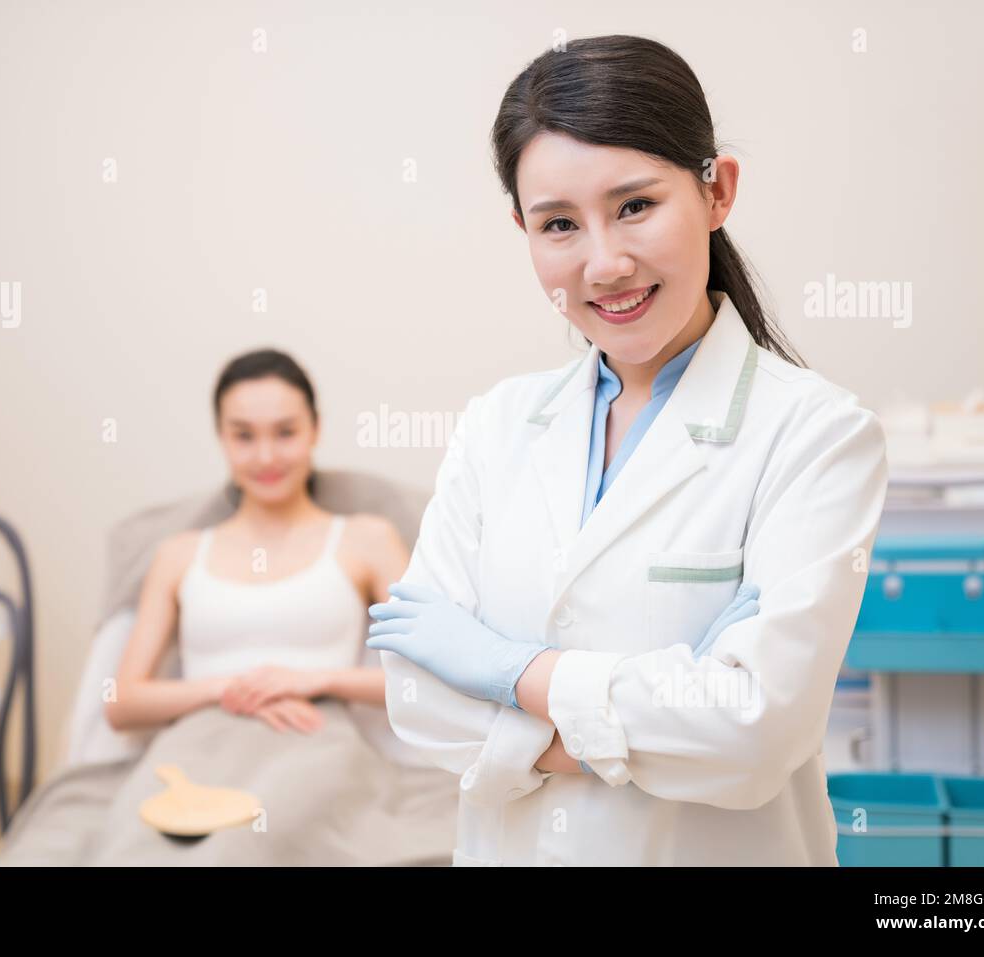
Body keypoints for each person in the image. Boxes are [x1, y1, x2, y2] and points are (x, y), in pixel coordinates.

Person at [367, 35, 888, 866]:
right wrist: (659, 729)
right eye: (560, 224)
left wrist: (505, 668)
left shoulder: (817, 435)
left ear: (716, 191)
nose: (605, 263)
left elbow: (756, 731)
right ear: (523, 230)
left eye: (636, 205)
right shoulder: (495, 426)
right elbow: (418, 697)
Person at [106, 348, 408, 734]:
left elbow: (423, 683)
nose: (266, 457)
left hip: (319, 749)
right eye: (244, 436)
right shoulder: (178, 554)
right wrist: (230, 689)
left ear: (315, 430)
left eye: (285, 432)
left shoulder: (368, 539)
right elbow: (121, 702)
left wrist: (317, 680)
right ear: (222, 437)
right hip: (200, 750)